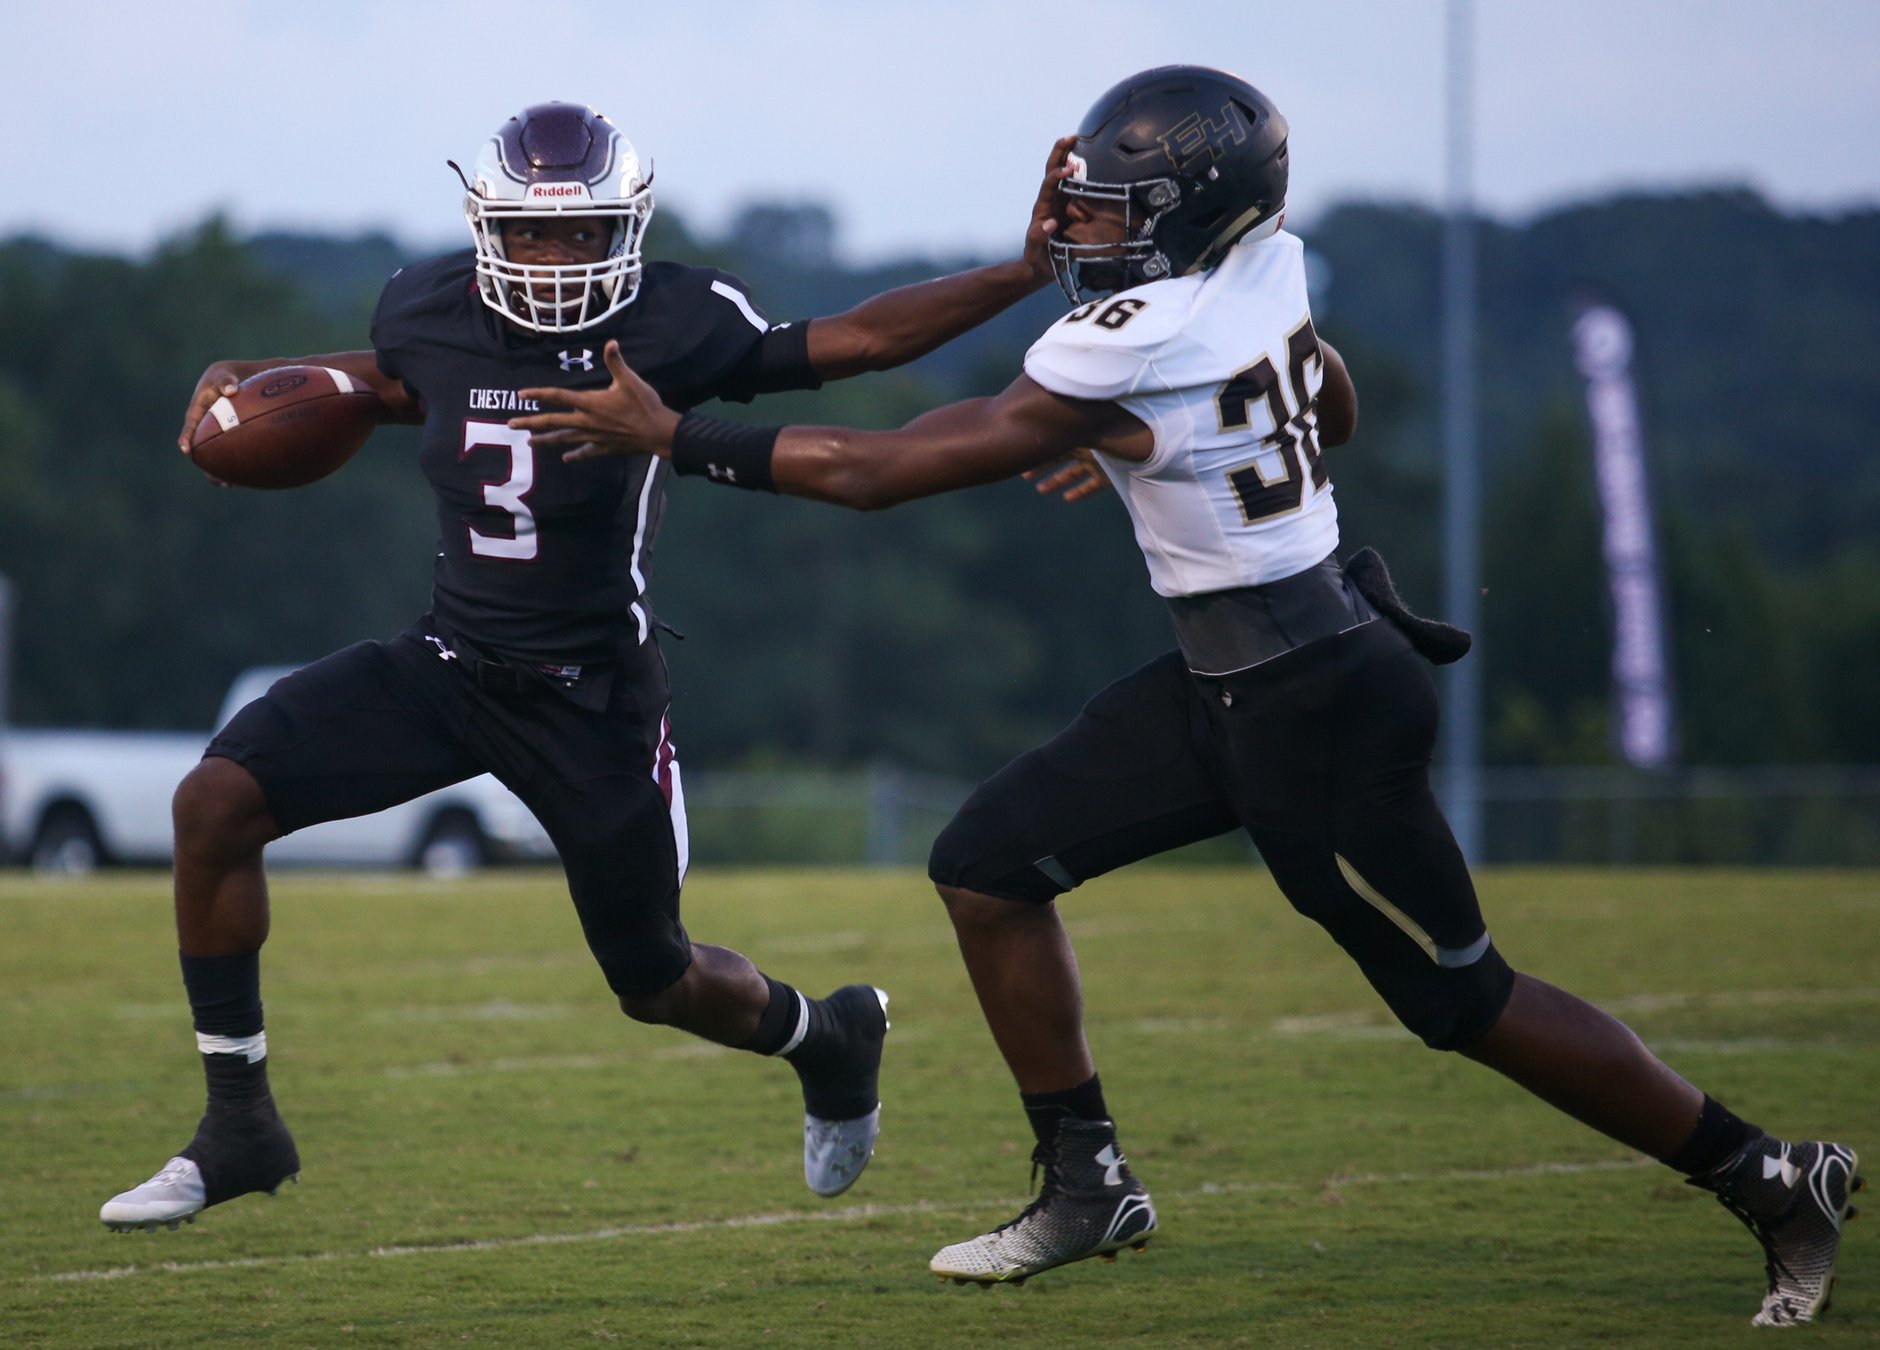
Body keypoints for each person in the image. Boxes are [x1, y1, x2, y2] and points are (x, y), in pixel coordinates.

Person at [507, 68, 1864, 1325]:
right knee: (985, 863)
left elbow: (886, 468)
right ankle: (1087, 1178)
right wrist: (1165, 437)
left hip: (1314, 698)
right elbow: (1324, 407)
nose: (1084, 232)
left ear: (1190, 212)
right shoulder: (1267, 262)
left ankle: (1767, 1173)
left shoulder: (1141, 333)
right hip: (1236, 675)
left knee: (1464, 995)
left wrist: (678, 434)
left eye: (1108, 210)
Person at [100, 101, 1079, 1233]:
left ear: (630, 224)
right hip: (448, 662)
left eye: (582, 232)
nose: (555, 257)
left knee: (653, 982)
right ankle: (237, 1124)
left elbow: (857, 340)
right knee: (215, 800)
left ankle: (829, 1034)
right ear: (485, 227)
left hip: (592, 699)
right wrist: (241, 388)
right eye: (530, 233)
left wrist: (1019, 272)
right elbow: (377, 383)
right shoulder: (424, 304)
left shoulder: (674, 318)